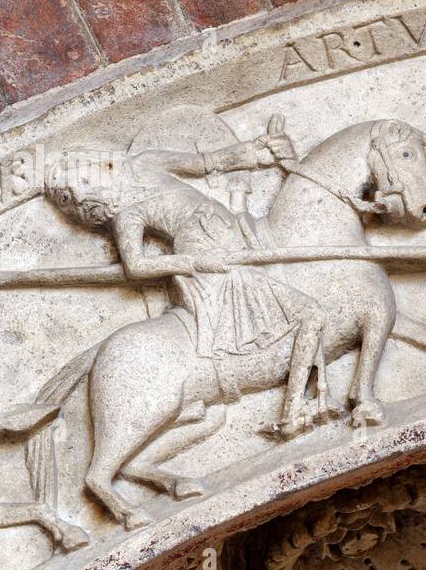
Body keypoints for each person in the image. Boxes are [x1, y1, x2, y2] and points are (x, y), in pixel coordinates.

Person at [44, 123, 331, 438]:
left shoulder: (144, 163)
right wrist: (192, 262)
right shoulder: (127, 215)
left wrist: (258, 152)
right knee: (309, 312)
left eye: (86, 179)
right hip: (205, 254)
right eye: (79, 193)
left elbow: (208, 162)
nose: (88, 190)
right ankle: (291, 410)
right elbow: (136, 267)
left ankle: (309, 400)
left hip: (233, 228)